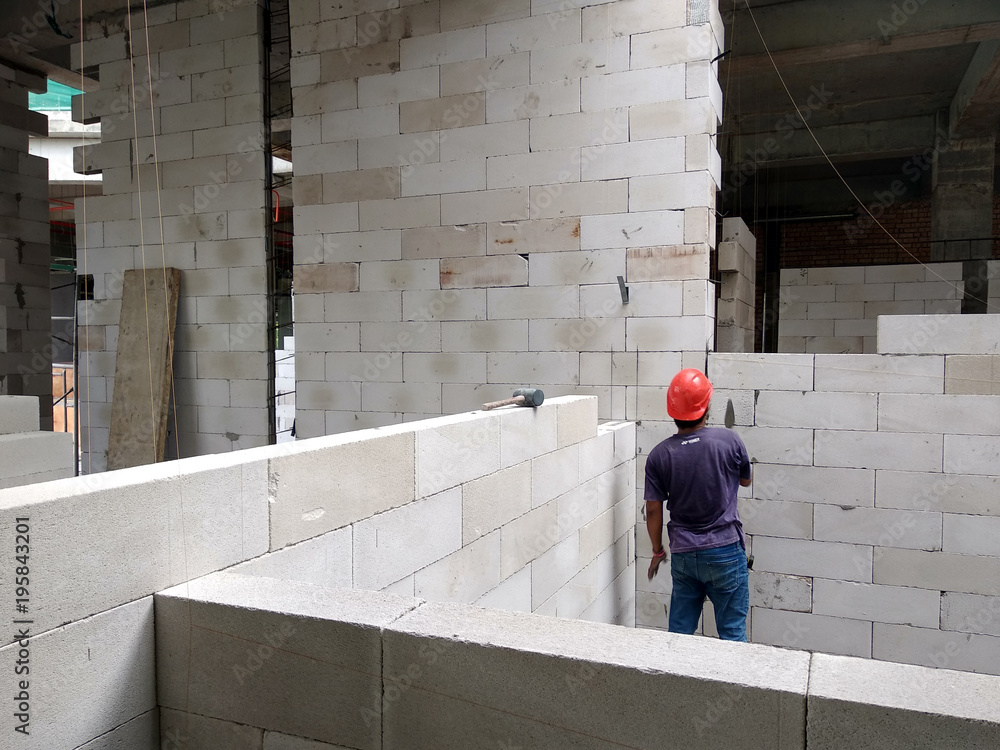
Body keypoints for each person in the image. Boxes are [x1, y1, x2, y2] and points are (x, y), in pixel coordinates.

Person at [644, 368, 753, 641]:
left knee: (679, 635)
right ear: (706, 406)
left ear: (672, 410)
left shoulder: (659, 455)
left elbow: (653, 509)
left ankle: (672, 683)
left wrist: (658, 551)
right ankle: (732, 684)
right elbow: (745, 481)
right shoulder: (730, 441)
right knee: (732, 634)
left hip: (684, 554)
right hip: (725, 551)